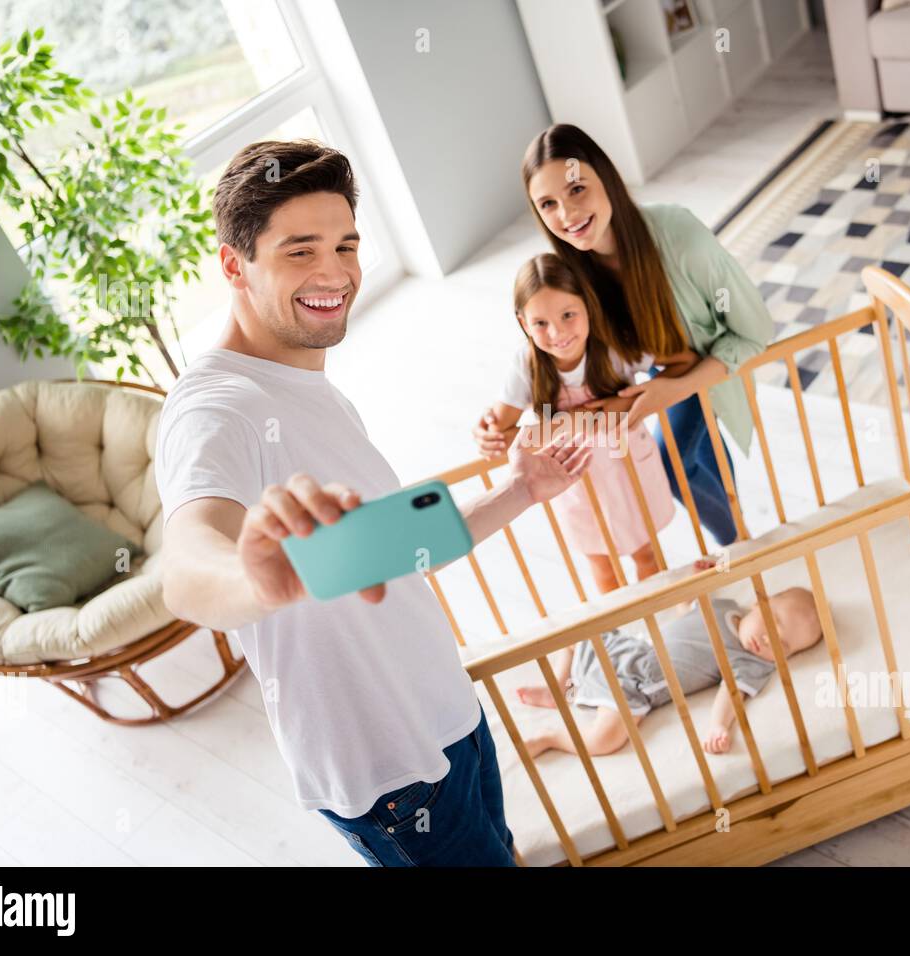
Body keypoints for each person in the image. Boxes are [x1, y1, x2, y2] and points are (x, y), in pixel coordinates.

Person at [155, 140, 592, 867]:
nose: (334, 273)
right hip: (391, 778)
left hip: (448, 709)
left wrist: (520, 490)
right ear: (235, 265)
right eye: (300, 251)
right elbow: (187, 569)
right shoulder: (215, 409)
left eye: (345, 245)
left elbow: (394, 545)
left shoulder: (309, 386)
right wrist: (254, 578)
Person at [474, 123, 776, 548]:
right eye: (548, 203)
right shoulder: (574, 273)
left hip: (704, 363)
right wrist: (498, 420)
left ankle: (738, 543)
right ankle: (738, 534)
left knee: (678, 462)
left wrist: (666, 391)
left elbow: (753, 333)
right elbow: (556, 345)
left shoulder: (680, 236)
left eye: (578, 190)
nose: (568, 215)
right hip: (657, 369)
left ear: (607, 178)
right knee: (695, 459)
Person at [488, 253, 698, 706]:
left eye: (568, 315)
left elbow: (681, 361)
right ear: (523, 323)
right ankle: (617, 648)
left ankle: (668, 642)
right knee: (601, 565)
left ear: (588, 307)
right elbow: (503, 430)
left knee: (646, 553)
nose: (558, 332)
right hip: (576, 479)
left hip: (628, 468)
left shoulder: (615, 346)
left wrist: (637, 398)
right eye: (541, 323)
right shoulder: (528, 367)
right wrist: (492, 432)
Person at [521, 559, 823, 758]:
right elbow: (686, 611)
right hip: (626, 649)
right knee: (579, 634)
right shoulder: (725, 607)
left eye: (783, 646)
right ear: (760, 603)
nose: (768, 641)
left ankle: (551, 738)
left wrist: (719, 725)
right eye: (773, 625)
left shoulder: (751, 661)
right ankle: (559, 687)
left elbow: (731, 693)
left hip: (634, 686)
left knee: (606, 738)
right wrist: (695, 583)